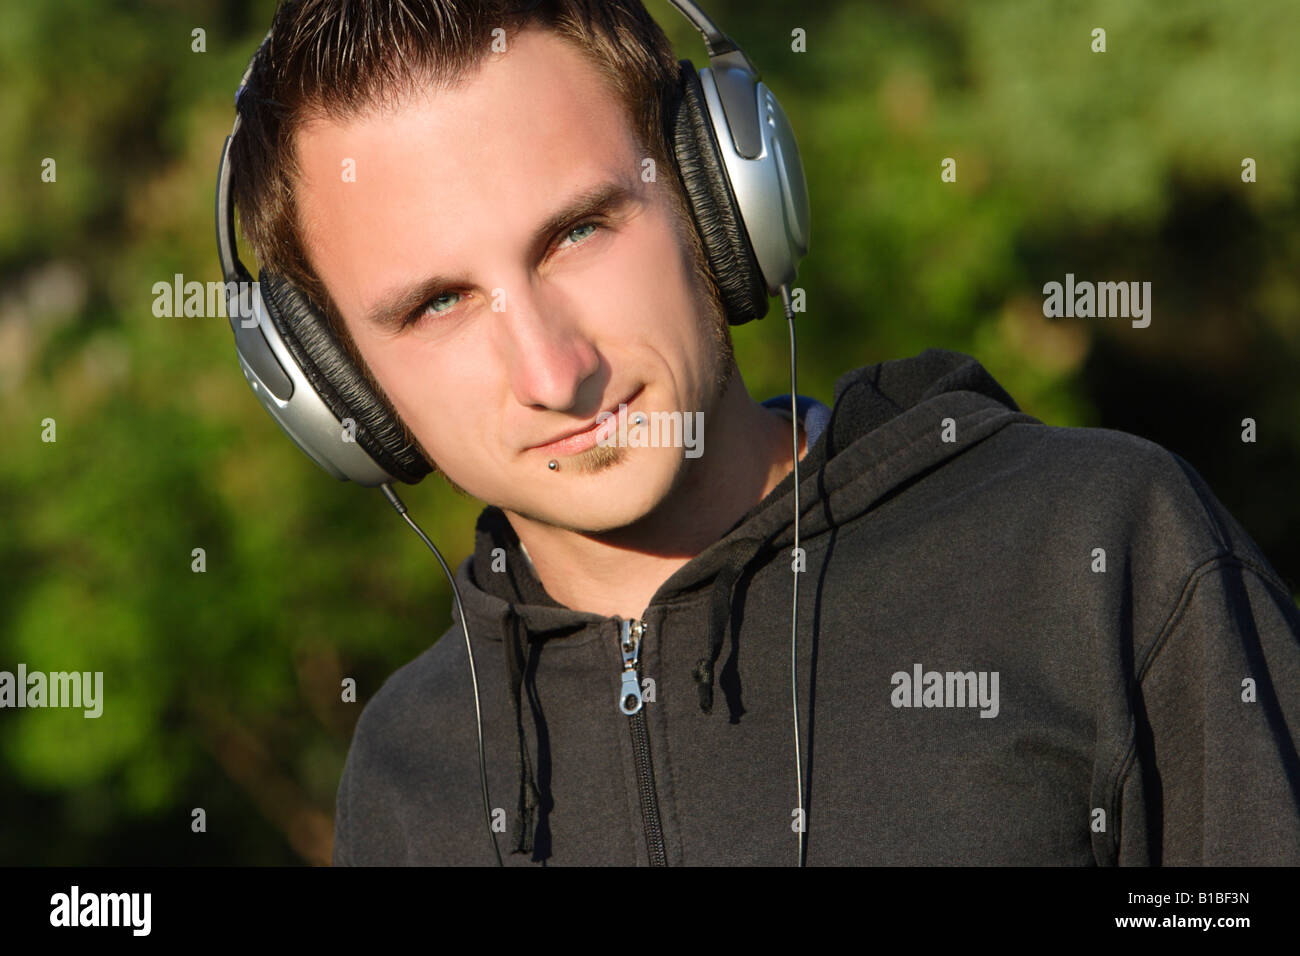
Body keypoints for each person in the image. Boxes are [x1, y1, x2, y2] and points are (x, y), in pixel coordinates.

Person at [221, 0, 1300, 865]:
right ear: (335, 386)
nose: (554, 372)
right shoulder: (409, 766)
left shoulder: (1096, 553)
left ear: (720, 198)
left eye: (579, 232)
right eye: (437, 305)